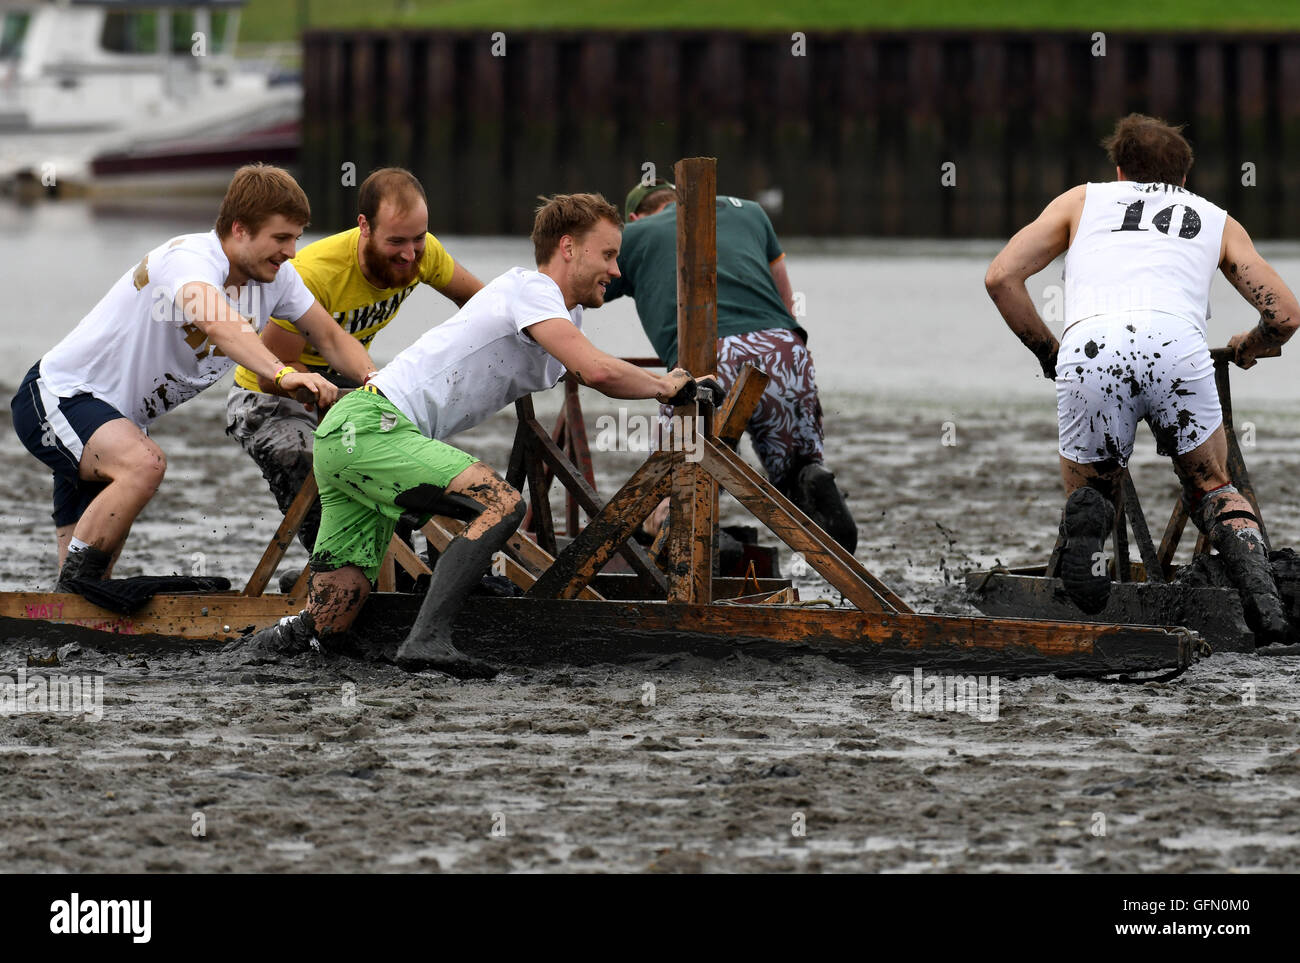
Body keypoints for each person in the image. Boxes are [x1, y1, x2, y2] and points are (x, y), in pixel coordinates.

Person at [244, 193, 704, 677]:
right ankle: (427, 640)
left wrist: (666, 386)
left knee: (330, 619)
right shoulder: (533, 290)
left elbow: (592, 364)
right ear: (568, 248)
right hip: (372, 428)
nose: (616, 270)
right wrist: (667, 385)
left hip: (352, 437)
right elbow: (596, 371)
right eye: (608, 255)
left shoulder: (560, 312)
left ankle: (241, 654)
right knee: (501, 503)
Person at [985, 113, 1299, 640]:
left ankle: (1088, 555)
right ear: (1184, 177)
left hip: (1092, 350)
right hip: (1179, 347)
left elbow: (1000, 278)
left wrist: (1051, 354)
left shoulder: (1081, 201)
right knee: (1214, 487)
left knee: (1094, 487)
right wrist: (1251, 345)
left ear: (1119, 169)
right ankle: (1264, 606)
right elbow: (1285, 314)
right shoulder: (1215, 220)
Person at [10, 164, 376, 592]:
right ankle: (78, 593)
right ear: (239, 229)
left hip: (113, 421)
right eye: (281, 238)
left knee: (81, 589)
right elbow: (219, 322)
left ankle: (71, 607)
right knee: (144, 465)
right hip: (58, 398)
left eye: (297, 237)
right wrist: (280, 372)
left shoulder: (278, 280)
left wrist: (378, 381)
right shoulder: (187, 259)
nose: (292, 252)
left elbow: (331, 338)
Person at [225, 167, 483, 554]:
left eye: (418, 240)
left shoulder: (422, 254)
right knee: (307, 460)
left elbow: (483, 304)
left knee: (402, 464)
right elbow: (271, 375)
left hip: (348, 383)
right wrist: (323, 390)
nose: (410, 255)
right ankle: (337, 568)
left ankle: (401, 566)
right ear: (364, 226)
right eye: (396, 241)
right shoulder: (315, 272)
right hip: (270, 396)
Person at [604, 176, 857, 552]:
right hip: (783, 348)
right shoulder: (752, 212)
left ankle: (679, 519)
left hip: (710, 360)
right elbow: (785, 301)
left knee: (680, 471)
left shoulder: (635, 236)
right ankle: (808, 478)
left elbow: (582, 291)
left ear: (637, 216)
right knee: (794, 465)